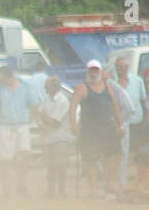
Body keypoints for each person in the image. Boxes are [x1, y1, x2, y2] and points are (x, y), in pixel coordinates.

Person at [70, 59, 125, 196]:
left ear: (100, 71)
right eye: (91, 70)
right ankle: (93, 190)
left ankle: (109, 186)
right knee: (90, 160)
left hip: (107, 127)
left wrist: (121, 124)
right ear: (88, 71)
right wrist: (73, 124)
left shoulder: (108, 87)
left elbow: (115, 106)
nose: (94, 73)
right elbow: (73, 107)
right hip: (90, 130)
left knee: (112, 156)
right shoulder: (82, 87)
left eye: (96, 70)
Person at [0, 65, 39, 195]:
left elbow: (34, 105)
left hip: (22, 125)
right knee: (5, 160)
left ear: (9, 77)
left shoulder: (25, 85)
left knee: (24, 155)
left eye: (2, 79)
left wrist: (31, 120)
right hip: (4, 125)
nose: (0, 82)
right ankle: (7, 189)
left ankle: (22, 183)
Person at [35, 74, 73, 197]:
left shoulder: (63, 101)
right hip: (49, 138)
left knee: (61, 165)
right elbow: (40, 115)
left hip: (60, 137)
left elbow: (55, 122)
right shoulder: (46, 100)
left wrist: (43, 117)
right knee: (50, 166)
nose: (45, 89)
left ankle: (61, 191)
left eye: (47, 86)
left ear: (54, 87)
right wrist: (42, 120)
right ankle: (51, 190)